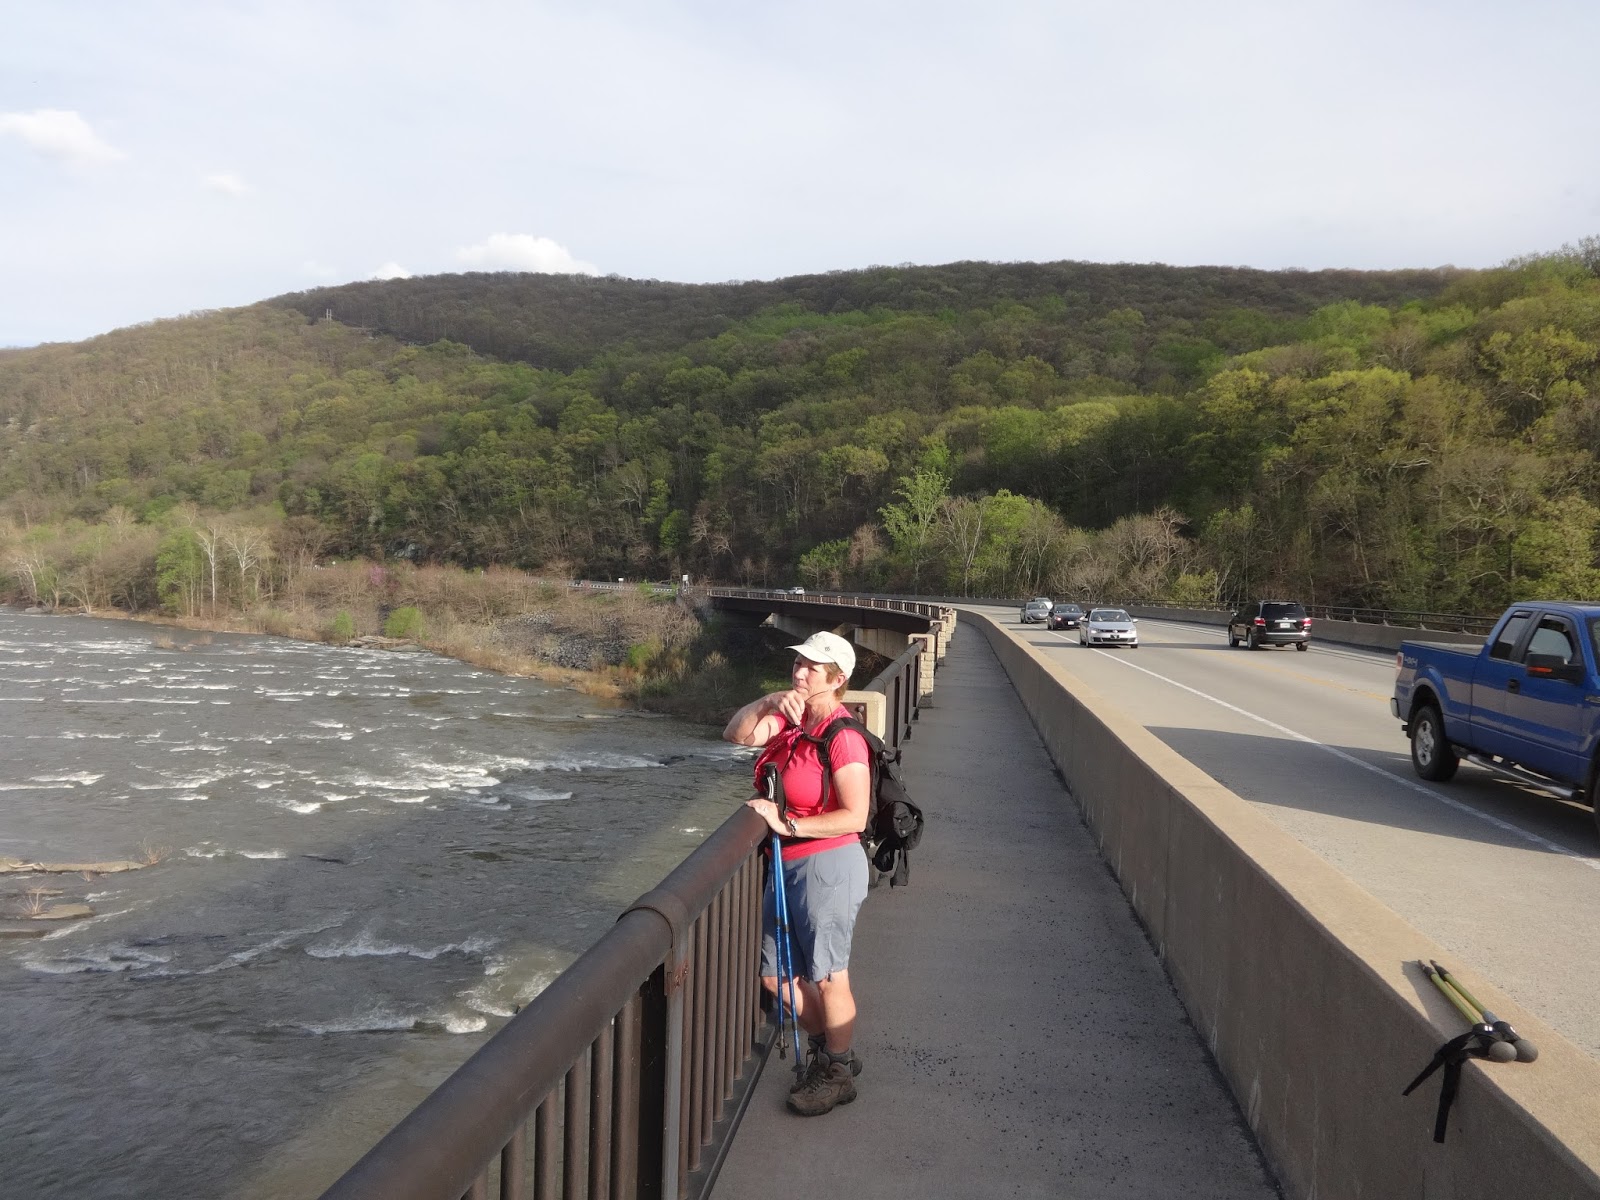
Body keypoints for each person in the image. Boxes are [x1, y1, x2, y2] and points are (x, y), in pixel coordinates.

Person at [723, 630, 871, 1116]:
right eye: (799, 663)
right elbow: (736, 735)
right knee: (777, 978)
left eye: (813, 666)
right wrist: (767, 699)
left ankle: (837, 1071)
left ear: (838, 679)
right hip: (786, 865)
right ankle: (835, 1054)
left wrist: (788, 822)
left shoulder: (843, 735)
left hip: (828, 863)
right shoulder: (791, 722)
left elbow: (855, 815)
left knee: (828, 976)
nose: (801, 671)